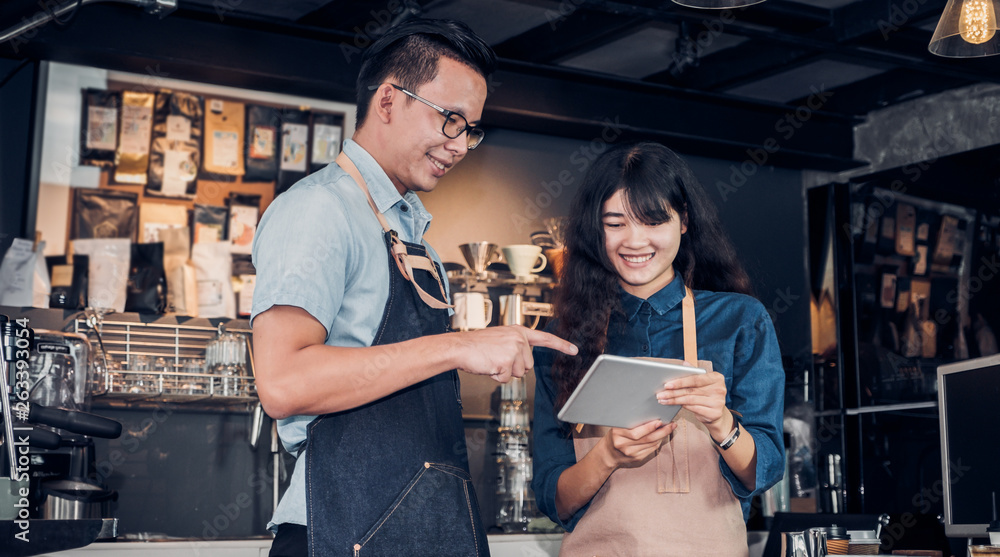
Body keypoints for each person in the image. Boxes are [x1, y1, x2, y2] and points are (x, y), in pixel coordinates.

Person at [250, 18, 578, 557]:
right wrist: (457, 345)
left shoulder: (402, 227)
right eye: (450, 120)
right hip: (342, 529)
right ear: (387, 102)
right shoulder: (319, 209)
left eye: (470, 130)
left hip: (412, 526)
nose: (460, 145)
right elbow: (283, 383)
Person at [531, 142, 784, 556]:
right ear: (596, 229)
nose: (634, 241)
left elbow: (765, 470)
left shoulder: (740, 320)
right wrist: (608, 454)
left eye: (652, 221)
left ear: (683, 221)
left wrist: (720, 422)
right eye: (615, 223)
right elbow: (553, 498)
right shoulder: (563, 338)